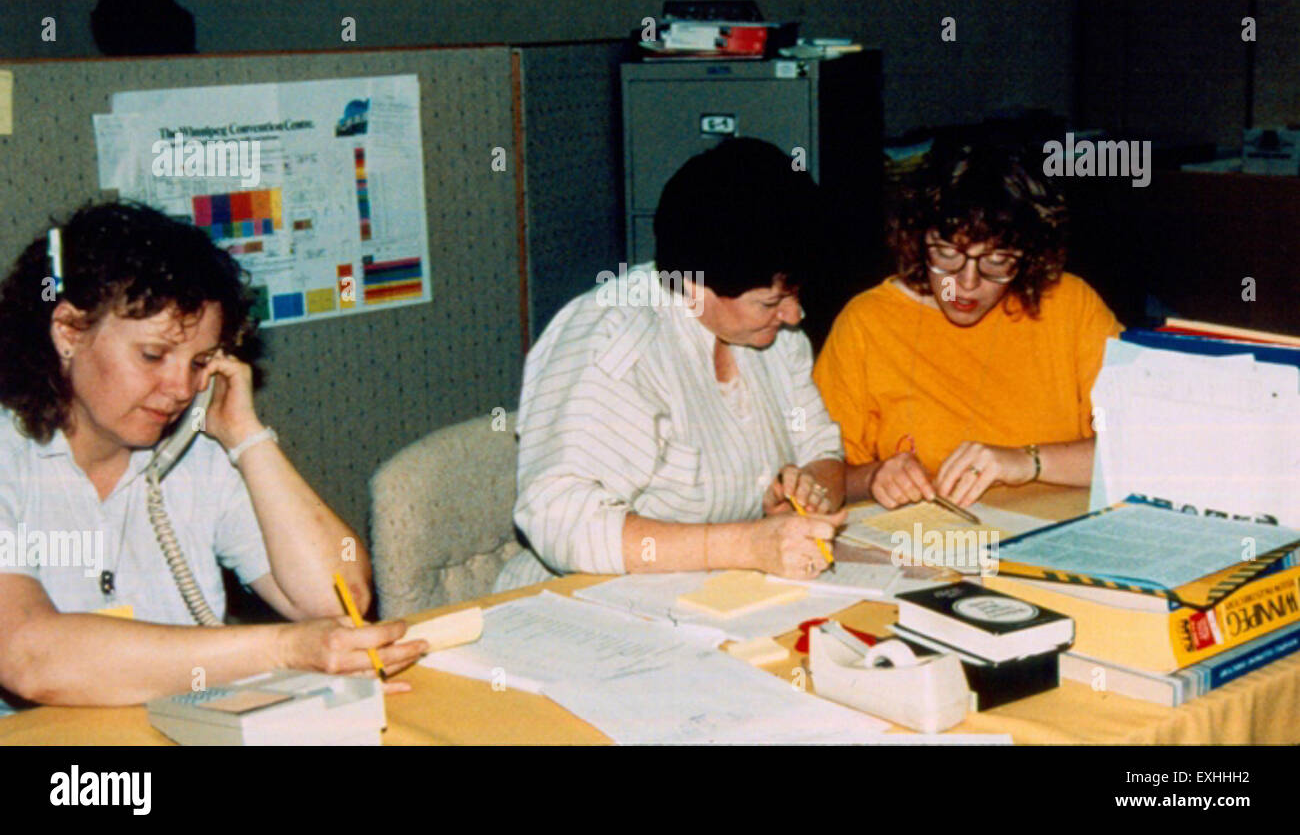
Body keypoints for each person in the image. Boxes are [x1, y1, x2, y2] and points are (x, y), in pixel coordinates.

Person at [0, 202, 426, 713]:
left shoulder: (192, 449)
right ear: (68, 331)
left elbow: (340, 599)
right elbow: (29, 657)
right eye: (153, 355)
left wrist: (247, 438)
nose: (181, 388)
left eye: (201, 362)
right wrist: (285, 648)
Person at [496, 138, 847, 590]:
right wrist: (747, 545)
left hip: (725, 598)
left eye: (796, 294)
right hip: (588, 603)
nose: (794, 316)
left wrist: (806, 498)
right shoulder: (617, 345)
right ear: (695, 288)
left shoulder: (777, 338)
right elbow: (561, 520)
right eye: (771, 302)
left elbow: (821, 450)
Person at [813, 140, 1122, 509]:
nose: (967, 283)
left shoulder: (1070, 306)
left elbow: (1145, 450)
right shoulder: (867, 324)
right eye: (947, 255)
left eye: (997, 261)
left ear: (1028, 257)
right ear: (917, 243)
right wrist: (874, 477)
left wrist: (1028, 461)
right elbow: (817, 477)